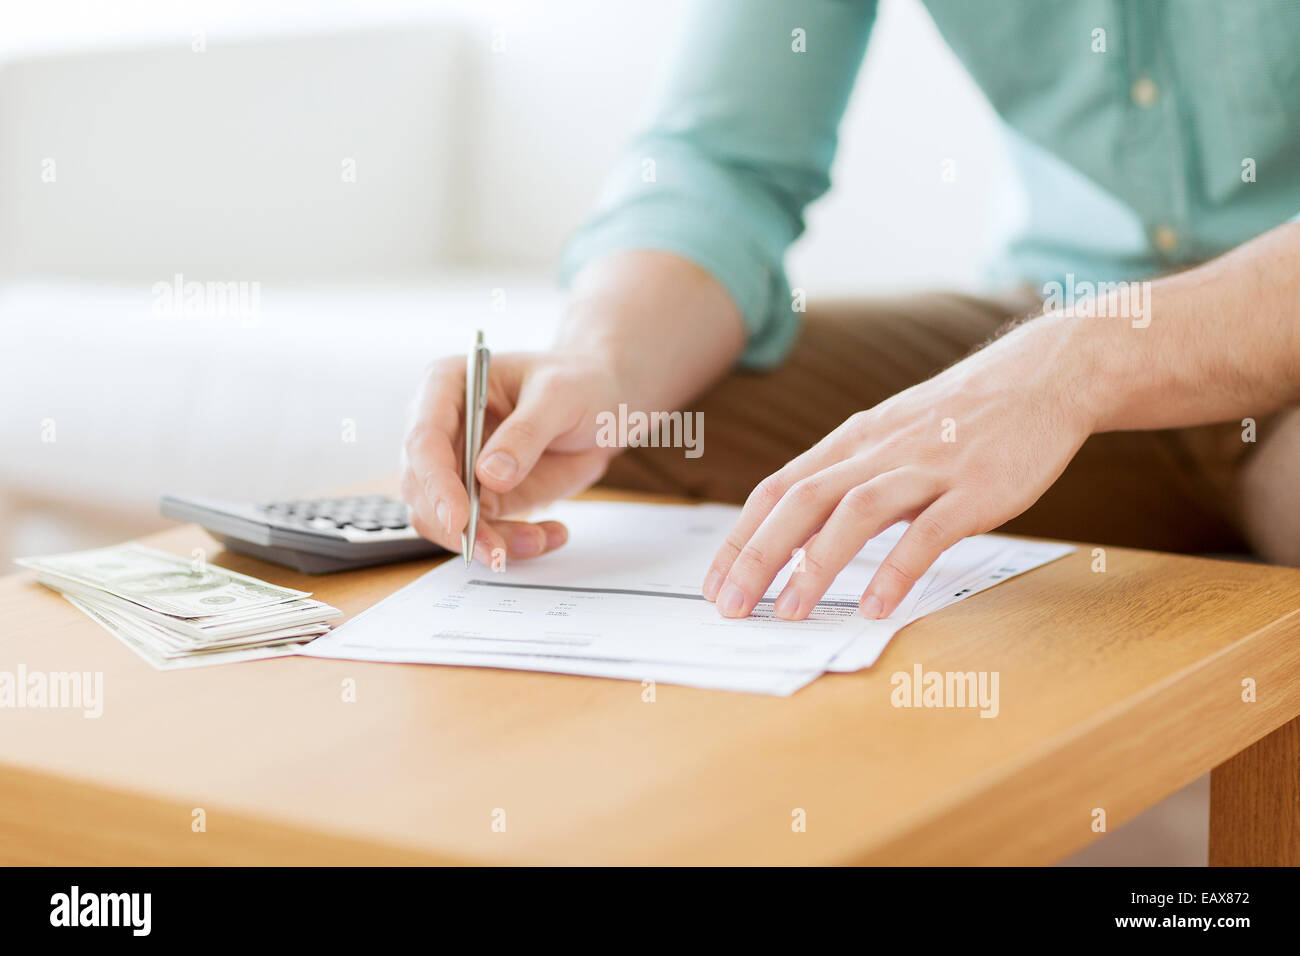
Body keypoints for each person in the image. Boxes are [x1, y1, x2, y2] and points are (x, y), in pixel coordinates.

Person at [400, 0, 1300, 622]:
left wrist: (1081, 364)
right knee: (640, 436)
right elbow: (723, 159)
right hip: (1051, 316)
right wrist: (603, 364)